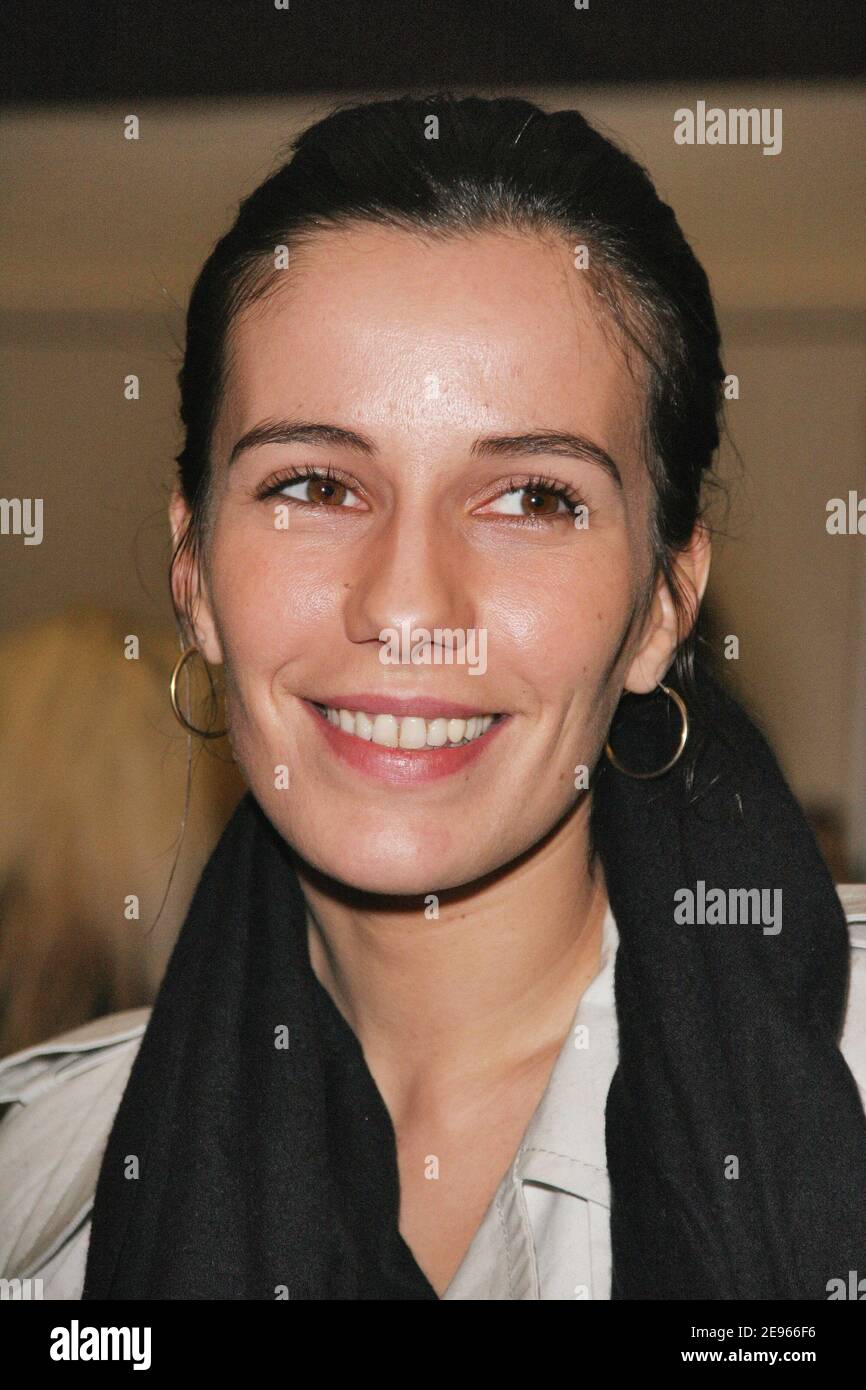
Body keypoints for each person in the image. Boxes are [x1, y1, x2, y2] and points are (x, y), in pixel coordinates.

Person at [1, 94, 864, 1301]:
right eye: (312, 483)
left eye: (530, 497)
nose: (405, 604)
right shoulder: (33, 1192)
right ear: (192, 575)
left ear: (662, 605)